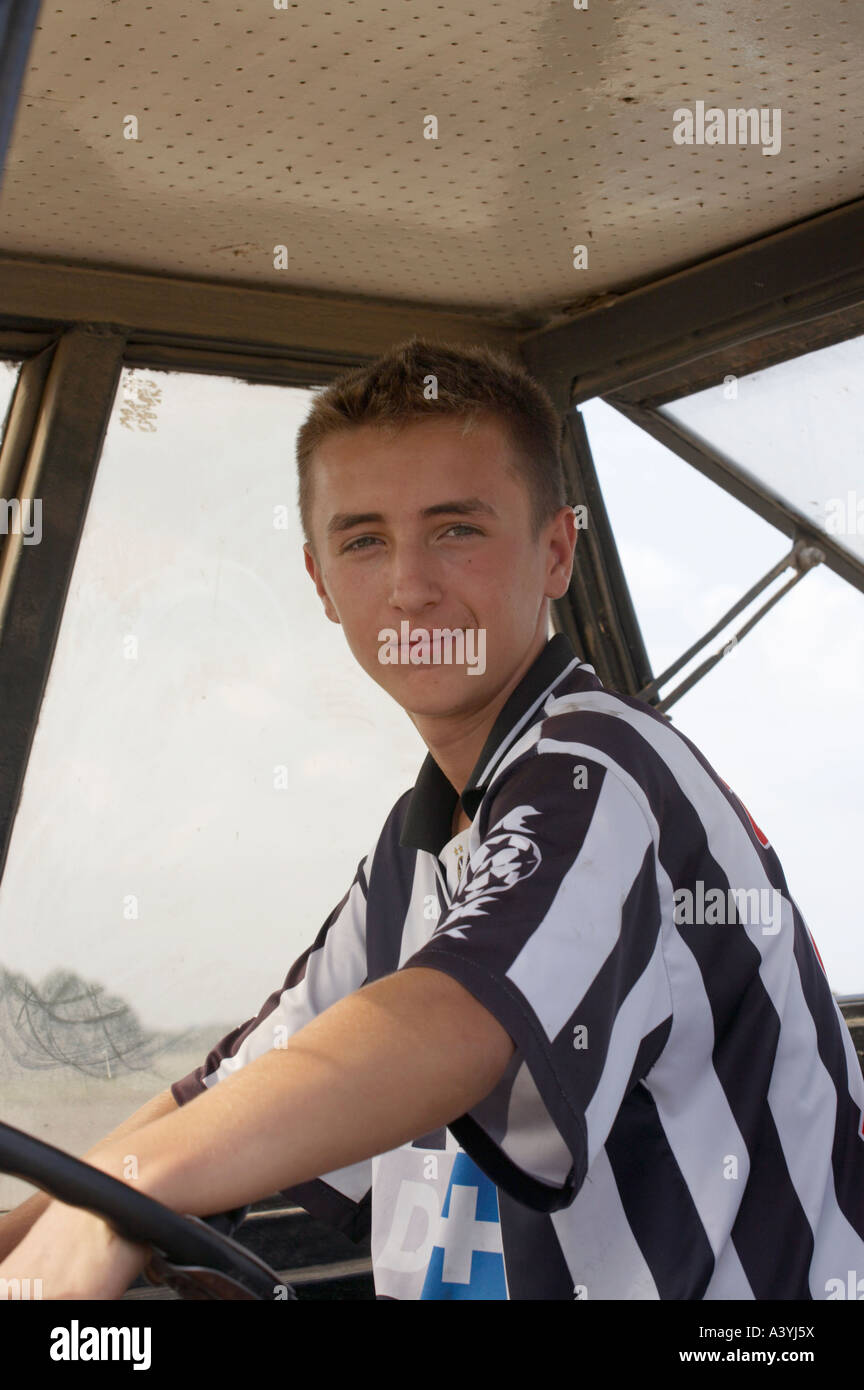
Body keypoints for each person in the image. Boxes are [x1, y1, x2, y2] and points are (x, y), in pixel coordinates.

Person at [1, 338, 862, 1300]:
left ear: (556, 551)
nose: (410, 585)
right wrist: (37, 1223)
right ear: (321, 583)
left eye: (455, 529)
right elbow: (239, 1090)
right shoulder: (419, 847)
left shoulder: (601, 774)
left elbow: (458, 1015)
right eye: (363, 540)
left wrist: (126, 1190)